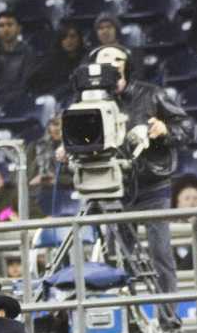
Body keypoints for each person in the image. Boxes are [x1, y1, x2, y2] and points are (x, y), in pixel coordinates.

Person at [78, 46, 190, 299]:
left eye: (118, 58)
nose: (113, 63)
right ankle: (127, 318)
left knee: (160, 253)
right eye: (105, 58)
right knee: (118, 257)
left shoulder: (152, 95)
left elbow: (187, 126)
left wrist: (165, 130)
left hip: (152, 185)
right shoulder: (88, 102)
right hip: (114, 188)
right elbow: (82, 136)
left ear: (127, 65)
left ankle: (168, 316)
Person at [0, 10, 37, 105]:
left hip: (17, 101)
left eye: (9, 25)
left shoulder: (28, 53)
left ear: (19, 29)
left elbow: (26, 84)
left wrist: (0, 100)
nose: (6, 29)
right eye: (1, 26)